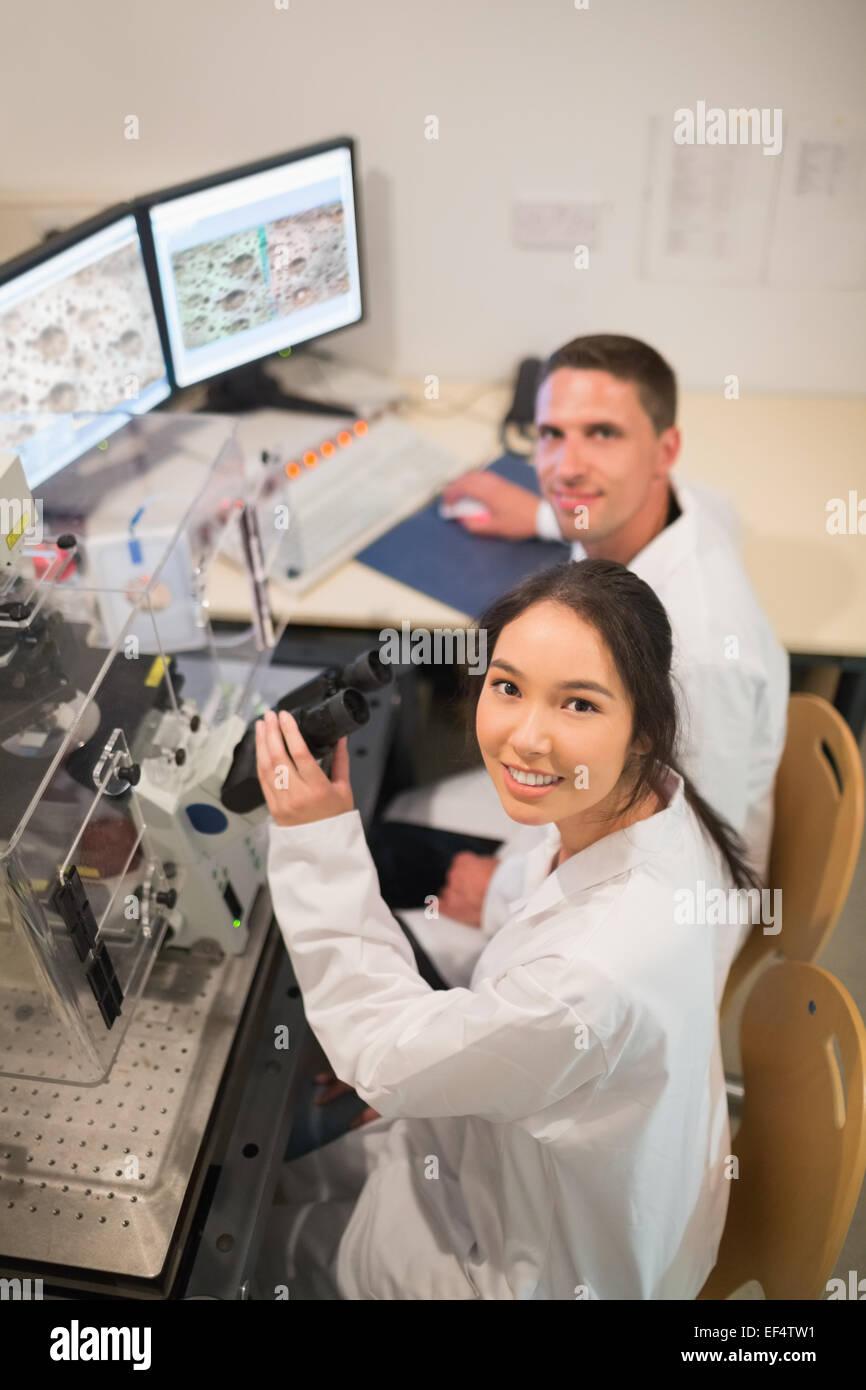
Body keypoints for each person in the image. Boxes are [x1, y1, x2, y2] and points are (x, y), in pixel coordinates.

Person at [252, 559, 758, 1300]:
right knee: (308, 1172)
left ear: (645, 727)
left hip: (536, 1270)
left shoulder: (587, 978)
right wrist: (438, 1071)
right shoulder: (656, 808)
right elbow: (529, 911)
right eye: (509, 686)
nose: (526, 738)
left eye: (578, 705)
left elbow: (382, 1055)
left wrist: (316, 843)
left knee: (267, 1246)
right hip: (558, 1164)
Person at [371, 334, 788, 985]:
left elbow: (683, 864)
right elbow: (710, 505)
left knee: (384, 932)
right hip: (590, 797)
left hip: (651, 913)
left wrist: (504, 894)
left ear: (665, 450)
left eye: (602, 434)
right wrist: (545, 516)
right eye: (550, 435)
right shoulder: (685, 510)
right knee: (393, 828)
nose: (566, 466)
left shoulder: (698, 656)